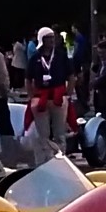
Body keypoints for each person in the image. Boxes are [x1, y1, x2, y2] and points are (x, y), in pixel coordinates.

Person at [26, 25, 69, 153]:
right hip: (41, 98)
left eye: (52, 38)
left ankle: (62, 158)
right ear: (42, 40)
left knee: (60, 133)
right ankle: (44, 160)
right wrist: (31, 97)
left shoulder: (61, 56)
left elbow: (71, 75)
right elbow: (28, 79)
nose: (52, 40)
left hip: (58, 97)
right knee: (43, 135)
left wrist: (68, 93)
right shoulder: (35, 58)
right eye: (48, 38)